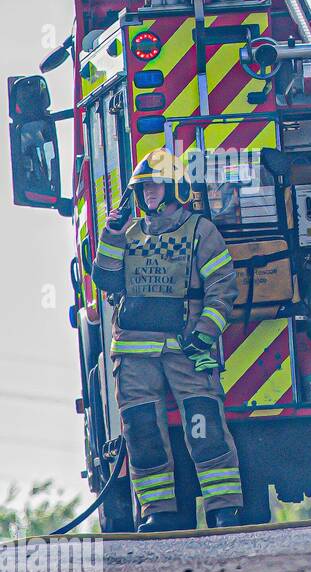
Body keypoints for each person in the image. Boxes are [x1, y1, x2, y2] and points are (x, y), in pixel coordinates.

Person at [91, 148, 243, 531]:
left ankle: (224, 508)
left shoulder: (200, 232)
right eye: (143, 189)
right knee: (142, 434)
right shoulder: (126, 235)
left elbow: (223, 288)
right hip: (133, 352)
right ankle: (158, 512)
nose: (150, 194)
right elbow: (105, 278)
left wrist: (205, 333)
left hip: (185, 350)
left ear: (175, 187)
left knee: (204, 427)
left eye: (156, 185)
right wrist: (111, 231)